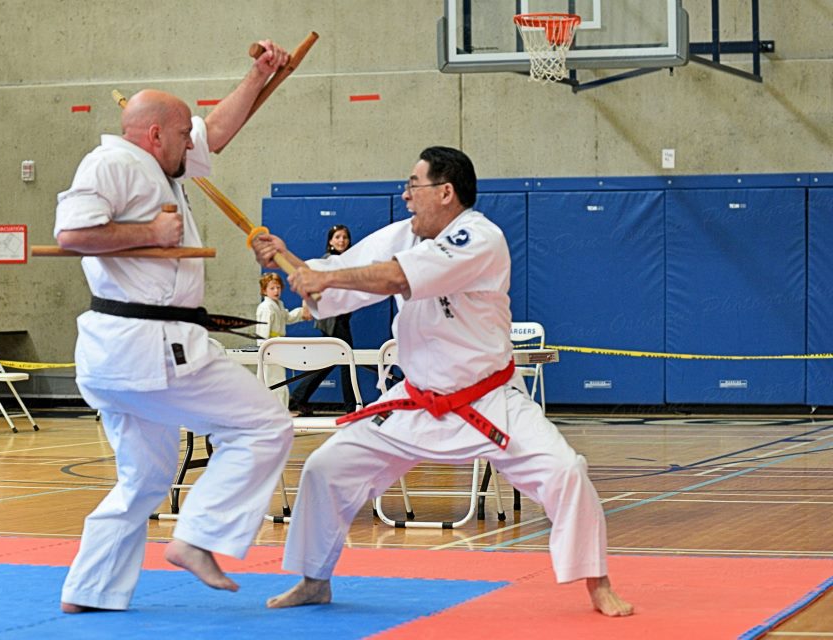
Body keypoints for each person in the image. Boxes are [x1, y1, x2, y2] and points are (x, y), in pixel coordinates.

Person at [251, 146, 633, 617]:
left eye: (414, 185)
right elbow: (340, 275)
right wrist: (286, 257)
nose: (407, 196)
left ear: (446, 192)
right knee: (325, 468)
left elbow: (392, 279)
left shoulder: (479, 237)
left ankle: (597, 583)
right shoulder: (403, 235)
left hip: (488, 401)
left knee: (567, 472)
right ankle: (314, 579)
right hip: (415, 402)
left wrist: (319, 277)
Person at [53, 41, 295, 613]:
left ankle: (88, 590)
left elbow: (217, 130)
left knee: (145, 478)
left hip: (122, 355)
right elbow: (71, 235)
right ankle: (197, 537)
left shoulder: (159, 168)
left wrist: (258, 75)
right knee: (265, 425)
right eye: (184, 133)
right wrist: (153, 238)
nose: (194, 142)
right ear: (155, 135)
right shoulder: (112, 163)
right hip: (151, 346)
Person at [289, 225, 358, 414]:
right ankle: (352, 407)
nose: (341, 240)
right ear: (330, 241)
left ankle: (299, 397)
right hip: (332, 320)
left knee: (332, 360)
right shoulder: (328, 261)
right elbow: (309, 280)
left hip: (340, 317)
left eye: (345, 237)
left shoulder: (346, 261)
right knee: (347, 360)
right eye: (337, 237)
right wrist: (306, 305)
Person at [256, 272, 308, 406]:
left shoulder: (278, 304)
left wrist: (303, 311)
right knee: (272, 380)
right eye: (272, 288)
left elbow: (288, 317)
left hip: (277, 347)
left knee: (279, 379)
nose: (276, 291)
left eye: (278, 287)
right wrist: (263, 351)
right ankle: (273, 410)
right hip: (270, 349)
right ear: (264, 290)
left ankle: (280, 410)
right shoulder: (266, 308)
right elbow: (262, 333)